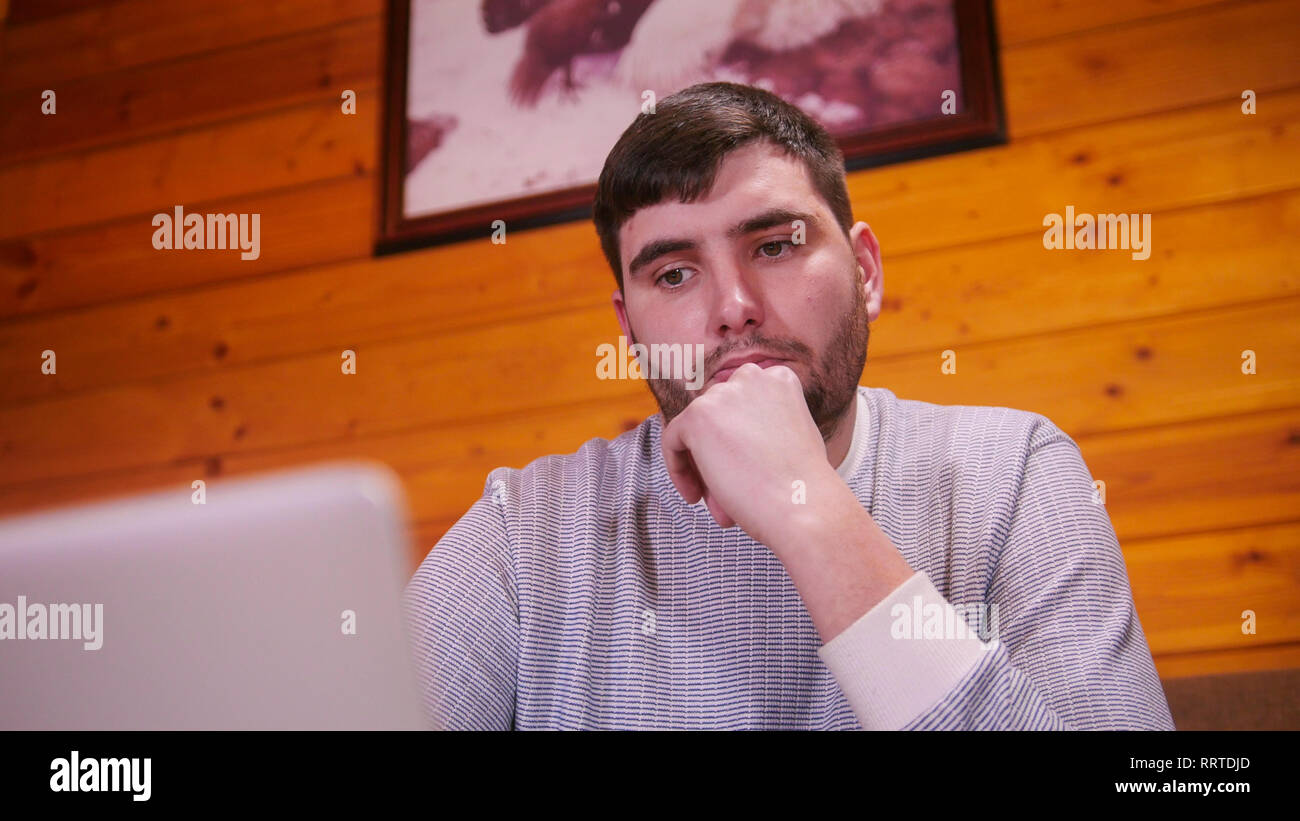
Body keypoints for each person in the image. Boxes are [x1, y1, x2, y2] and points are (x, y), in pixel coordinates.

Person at [402, 81, 1175, 730]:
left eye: (773, 245)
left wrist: (812, 515)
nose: (734, 307)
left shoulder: (1012, 474)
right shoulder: (523, 530)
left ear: (865, 269)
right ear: (629, 329)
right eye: (673, 274)